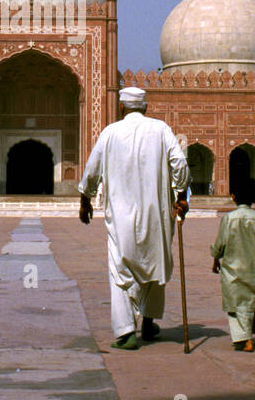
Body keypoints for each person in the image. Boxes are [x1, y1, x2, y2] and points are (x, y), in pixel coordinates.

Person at [79, 86, 190, 350]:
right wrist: (181, 195)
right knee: (155, 263)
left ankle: (127, 332)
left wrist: (85, 200)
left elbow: (92, 169)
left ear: (121, 108)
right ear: (145, 108)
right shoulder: (161, 129)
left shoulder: (110, 133)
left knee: (120, 270)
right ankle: (149, 323)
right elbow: (180, 164)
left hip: (121, 217)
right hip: (157, 213)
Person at [210, 177, 255, 352]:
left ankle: (244, 338)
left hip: (233, 270)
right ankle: (247, 335)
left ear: (233, 196)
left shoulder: (229, 218)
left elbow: (220, 244)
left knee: (236, 303)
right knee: (253, 300)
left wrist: (215, 260)